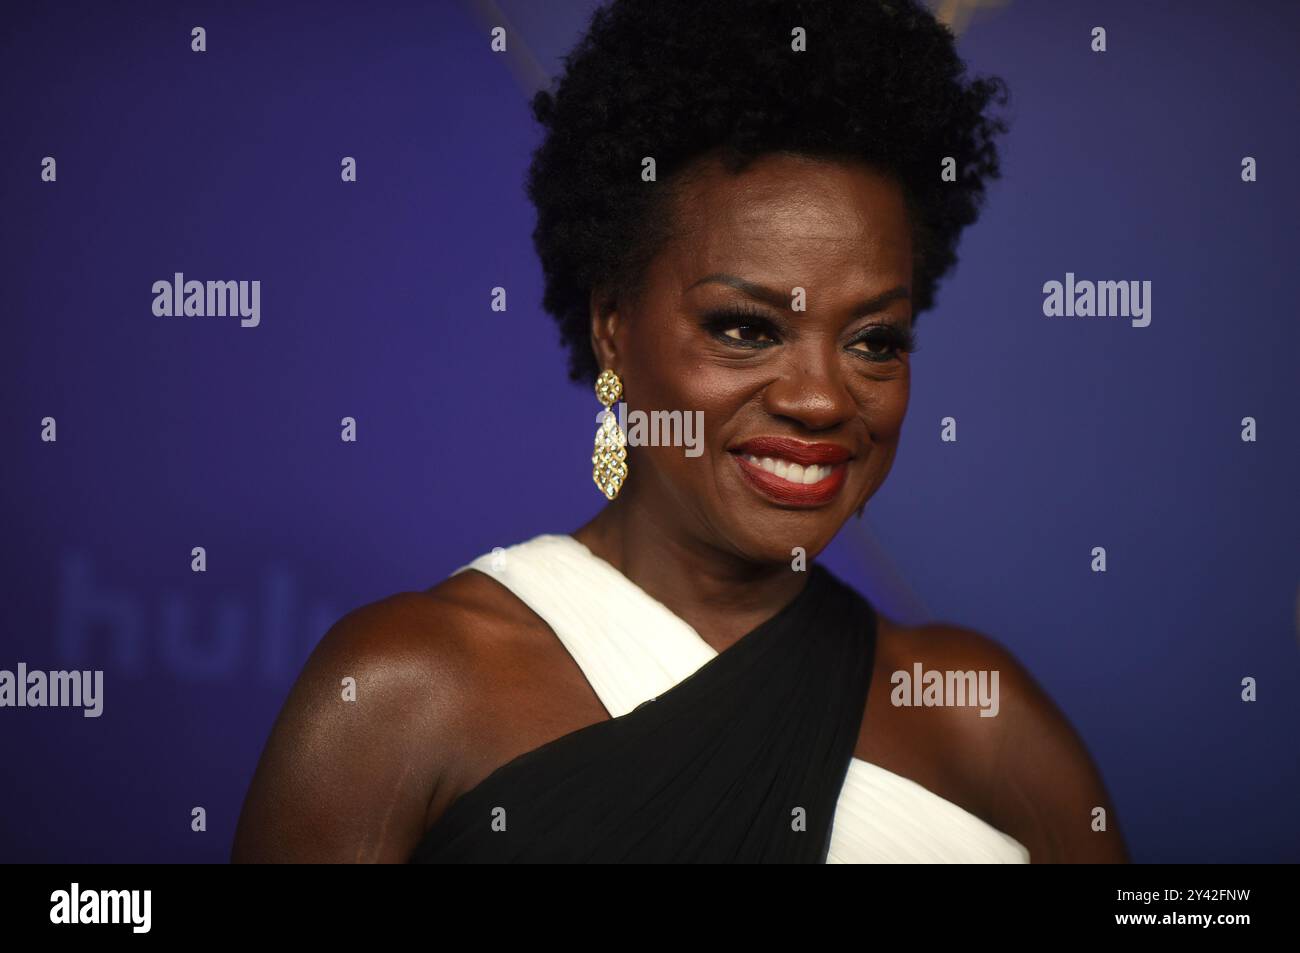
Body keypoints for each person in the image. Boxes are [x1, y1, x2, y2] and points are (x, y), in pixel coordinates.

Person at [232, 0, 1129, 863]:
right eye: (746, 327)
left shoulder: (976, 710)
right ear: (613, 324)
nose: (820, 399)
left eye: (873, 341)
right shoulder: (404, 688)